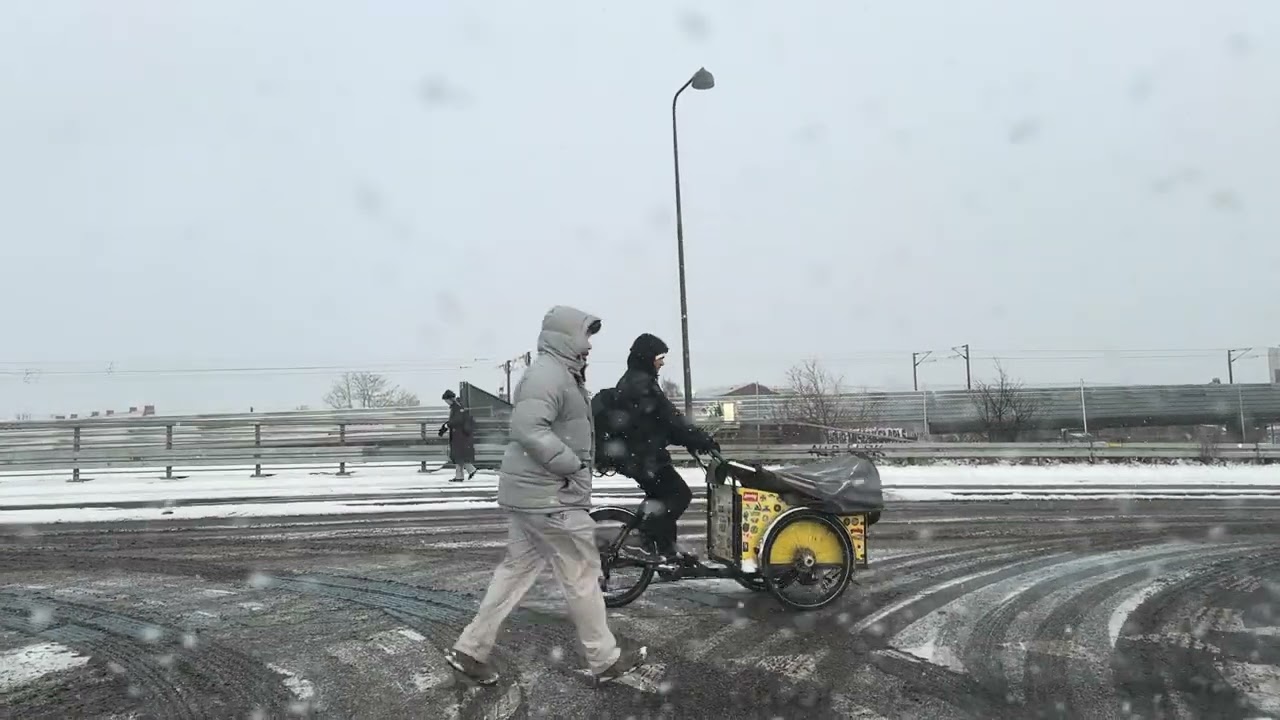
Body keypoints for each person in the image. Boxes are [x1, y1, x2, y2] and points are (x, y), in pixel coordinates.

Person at [445, 305, 647, 686]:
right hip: (552, 497)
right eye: (585, 336)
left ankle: (471, 649)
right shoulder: (548, 375)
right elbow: (528, 428)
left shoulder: (559, 375)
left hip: (536, 496)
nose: (589, 345)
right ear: (565, 337)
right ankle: (604, 658)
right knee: (583, 573)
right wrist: (571, 463)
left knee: (515, 573)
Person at [613, 333, 718, 565]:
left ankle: (668, 553)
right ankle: (646, 540)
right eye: (659, 357)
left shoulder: (635, 380)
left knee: (662, 501)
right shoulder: (642, 385)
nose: (661, 362)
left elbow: (661, 424)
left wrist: (690, 439)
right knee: (679, 495)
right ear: (647, 357)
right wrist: (700, 439)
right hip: (643, 457)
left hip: (637, 455)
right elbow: (670, 419)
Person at [439, 389, 477, 482]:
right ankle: (467, 471)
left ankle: (462, 475)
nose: (446, 402)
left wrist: (447, 425)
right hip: (460, 435)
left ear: (450, 399)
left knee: (458, 456)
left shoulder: (457, 407)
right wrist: (445, 426)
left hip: (460, 436)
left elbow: (457, 420)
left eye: (446, 400)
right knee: (459, 456)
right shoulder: (457, 406)